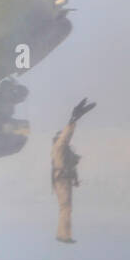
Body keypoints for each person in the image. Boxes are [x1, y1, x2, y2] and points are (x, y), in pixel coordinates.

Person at [51, 98, 95, 243]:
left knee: (66, 208)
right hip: (62, 180)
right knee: (66, 208)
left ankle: (63, 234)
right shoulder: (59, 147)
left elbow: (72, 164)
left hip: (64, 179)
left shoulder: (62, 150)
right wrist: (73, 119)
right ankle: (64, 235)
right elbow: (65, 137)